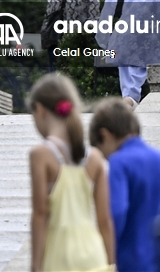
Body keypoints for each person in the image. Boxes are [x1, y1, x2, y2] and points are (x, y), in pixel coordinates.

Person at [27, 73, 115, 272]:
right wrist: (111, 263)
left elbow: (40, 213)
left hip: (60, 255)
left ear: (39, 110)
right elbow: (105, 219)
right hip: (94, 254)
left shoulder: (41, 155)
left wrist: (35, 265)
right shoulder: (95, 158)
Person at [89, 98, 160, 272]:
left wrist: (106, 252)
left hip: (132, 260)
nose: (105, 160)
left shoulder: (119, 162)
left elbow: (116, 211)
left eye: (102, 153)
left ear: (105, 135)